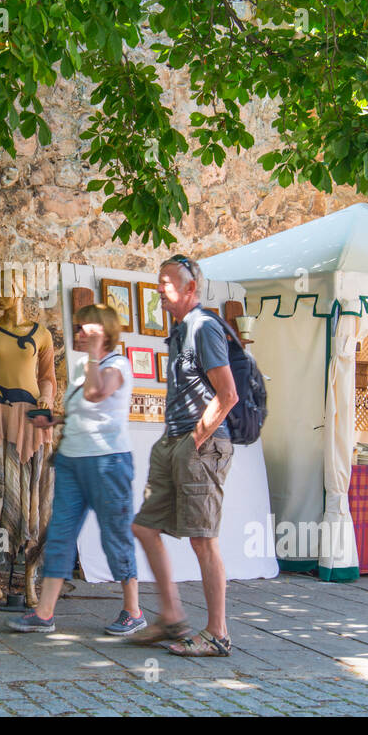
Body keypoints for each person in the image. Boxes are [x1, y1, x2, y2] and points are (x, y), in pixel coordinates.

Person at [7, 303, 142, 634]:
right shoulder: (84, 370)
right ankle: (44, 612)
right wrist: (54, 418)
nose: (78, 333)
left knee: (115, 536)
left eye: (86, 328)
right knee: (60, 536)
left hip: (108, 463)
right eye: (79, 327)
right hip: (72, 461)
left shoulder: (117, 365)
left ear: (103, 333)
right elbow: (87, 411)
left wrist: (95, 353)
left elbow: (98, 395)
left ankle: (133, 610)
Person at [129, 255, 239, 657]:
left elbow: (228, 395)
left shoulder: (203, 327)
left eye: (167, 283)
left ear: (190, 289)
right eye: (158, 282)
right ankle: (172, 617)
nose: (160, 289)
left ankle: (217, 634)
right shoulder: (178, 332)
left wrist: (194, 440)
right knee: (144, 526)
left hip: (199, 444)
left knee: (202, 540)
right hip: (174, 442)